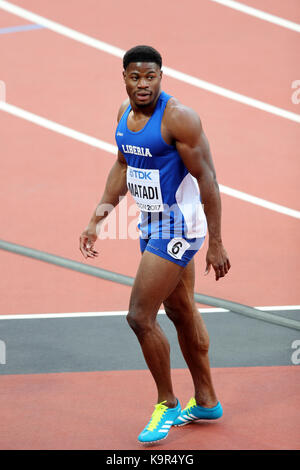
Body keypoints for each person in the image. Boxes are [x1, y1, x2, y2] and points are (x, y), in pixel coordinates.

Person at [79, 45, 231, 445]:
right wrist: (100, 214)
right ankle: (207, 400)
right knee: (181, 311)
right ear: (124, 77)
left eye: (150, 77)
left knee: (139, 316)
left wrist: (215, 242)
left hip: (178, 229)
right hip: (149, 222)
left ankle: (166, 402)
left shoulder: (179, 118)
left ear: (161, 76)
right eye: (135, 77)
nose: (143, 84)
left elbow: (208, 180)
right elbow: (123, 164)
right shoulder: (123, 116)